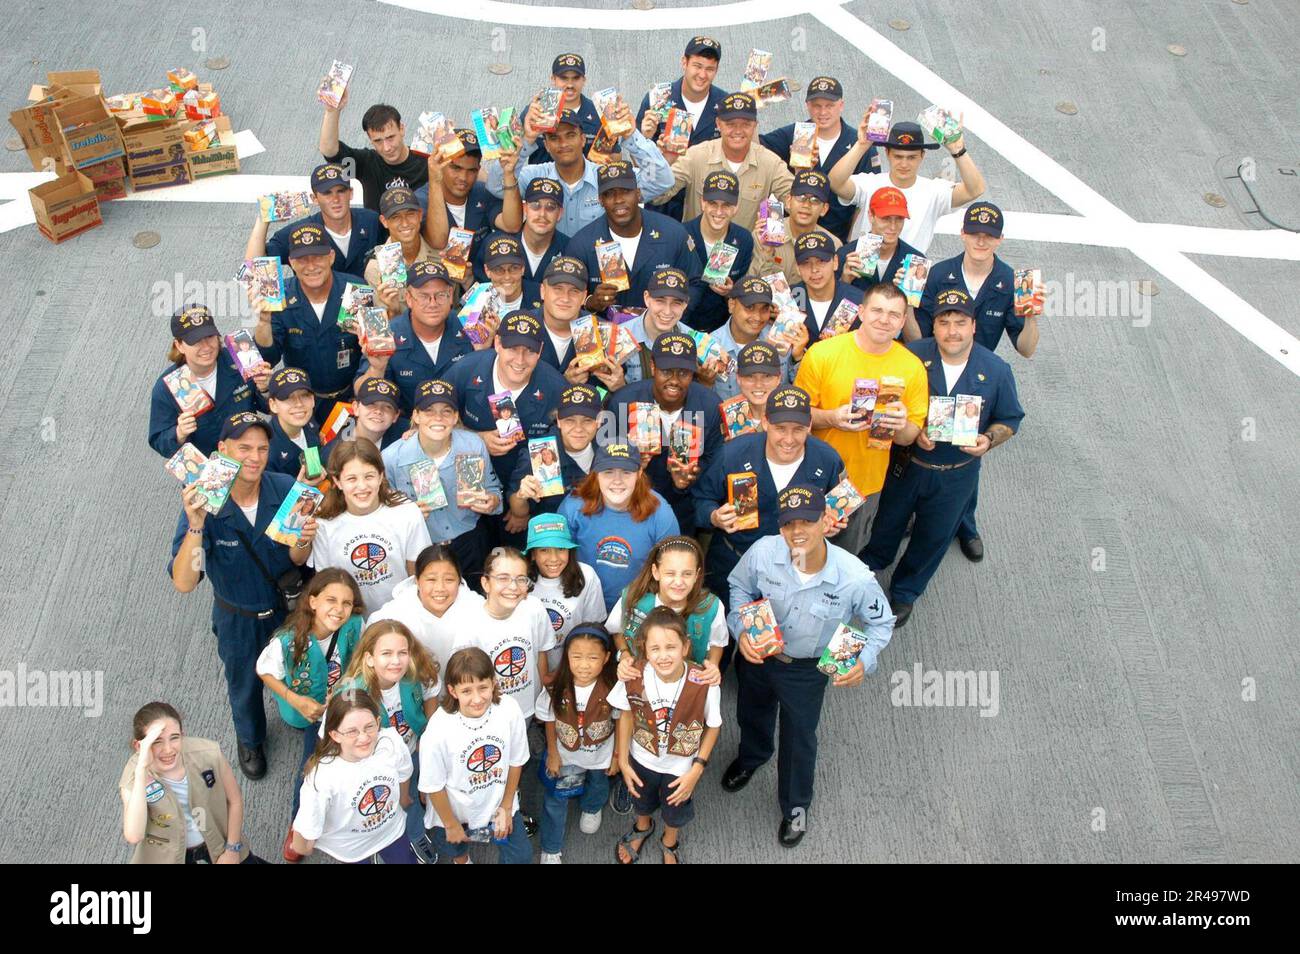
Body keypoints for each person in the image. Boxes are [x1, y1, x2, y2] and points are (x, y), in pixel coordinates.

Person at [723, 485, 895, 847]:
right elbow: (738, 587)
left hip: (808, 668)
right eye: (789, 524)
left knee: (800, 737)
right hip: (760, 655)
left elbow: (882, 623)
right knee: (751, 711)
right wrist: (741, 632)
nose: (797, 532)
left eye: (808, 521)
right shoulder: (762, 552)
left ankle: (795, 807)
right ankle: (752, 757)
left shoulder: (855, 577)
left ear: (826, 521)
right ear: (780, 527)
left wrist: (863, 660)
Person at [863, 289, 1024, 626]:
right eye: (944, 321)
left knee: (934, 536)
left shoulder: (996, 370)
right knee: (887, 522)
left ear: (974, 326)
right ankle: (874, 562)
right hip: (907, 465)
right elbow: (890, 401)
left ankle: (905, 591)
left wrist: (988, 439)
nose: (952, 330)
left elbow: (1009, 419)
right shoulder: (910, 356)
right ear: (932, 326)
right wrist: (912, 426)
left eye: (960, 322)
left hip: (956, 474)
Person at [170, 412, 313, 779]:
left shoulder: (283, 488)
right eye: (243, 447)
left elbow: (296, 560)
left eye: (262, 448)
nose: (254, 457)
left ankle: (298, 713)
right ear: (221, 450)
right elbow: (185, 582)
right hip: (238, 617)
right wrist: (197, 523)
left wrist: (303, 541)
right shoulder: (204, 504)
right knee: (244, 686)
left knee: (298, 669)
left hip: (285, 609)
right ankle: (250, 739)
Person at [913, 202, 1036, 560]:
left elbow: (1026, 349)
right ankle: (915, 513)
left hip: (978, 383)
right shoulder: (938, 275)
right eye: (975, 233)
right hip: (936, 374)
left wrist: (1032, 318)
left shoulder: (1011, 283)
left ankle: (965, 523)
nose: (981, 241)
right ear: (963, 233)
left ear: (999, 240)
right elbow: (919, 333)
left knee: (967, 461)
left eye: (990, 236)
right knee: (923, 448)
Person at [793, 282, 928, 557]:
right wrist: (831, 417)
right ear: (862, 312)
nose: (884, 319)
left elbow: (907, 438)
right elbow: (796, 417)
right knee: (797, 550)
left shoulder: (912, 367)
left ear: (903, 321)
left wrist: (901, 425)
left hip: (864, 483)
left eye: (893, 314)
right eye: (877, 310)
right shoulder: (823, 353)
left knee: (844, 556)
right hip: (813, 476)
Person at [693, 384, 843, 608]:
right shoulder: (733, 454)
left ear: (810, 426)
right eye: (780, 428)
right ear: (765, 422)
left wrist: (831, 523)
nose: (789, 439)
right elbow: (700, 500)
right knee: (725, 627)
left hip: (796, 568)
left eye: (798, 429)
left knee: (782, 633)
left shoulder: (827, 460)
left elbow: (841, 506)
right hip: (734, 561)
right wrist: (714, 516)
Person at [255, 568, 364, 860]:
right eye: (331, 600)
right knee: (311, 768)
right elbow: (264, 669)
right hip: (306, 715)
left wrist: (346, 684)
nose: (339, 610)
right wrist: (295, 699)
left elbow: (361, 657)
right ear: (312, 601)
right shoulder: (288, 640)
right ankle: (298, 827)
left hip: (342, 705)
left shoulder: (355, 625)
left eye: (346, 603)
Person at [609, 606, 722, 864]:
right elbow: (625, 713)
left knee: (675, 810)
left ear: (685, 647)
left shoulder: (703, 681)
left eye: (671, 647)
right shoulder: (634, 674)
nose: (663, 656)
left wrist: (697, 769)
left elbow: (713, 725)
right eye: (655, 649)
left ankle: (669, 841)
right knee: (641, 800)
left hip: (681, 766)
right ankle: (642, 826)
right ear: (644, 650)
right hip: (641, 757)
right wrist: (623, 760)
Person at [331, 619, 442, 862]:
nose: (396, 660)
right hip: (371, 763)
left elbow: (431, 693)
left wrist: (428, 734)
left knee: (409, 798)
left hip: (410, 750)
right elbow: (332, 737)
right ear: (369, 658)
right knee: (379, 807)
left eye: (403, 652)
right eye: (386, 653)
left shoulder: (413, 673)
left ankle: (415, 833)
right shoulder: (351, 695)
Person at [418, 647, 533, 864]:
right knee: (455, 849)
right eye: (467, 691)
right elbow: (434, 785)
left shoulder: (509, 709)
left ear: (493, 683)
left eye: (483, 687)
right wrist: (451, 824)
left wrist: (507, 806)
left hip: (499, 800)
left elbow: (516, 762)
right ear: (452, 691)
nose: (477, 698)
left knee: (521, 856)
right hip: (453, 809)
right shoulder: (438, 730)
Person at [382, 379, 502, 587]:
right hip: (421, 548)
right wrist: (407, 514)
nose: (438, 418)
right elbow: (383, 513)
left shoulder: (473, 445)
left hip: (469, 542)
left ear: (456, 417)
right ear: (416, 416)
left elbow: (494, 490)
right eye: (429, 410)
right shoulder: (391, 459)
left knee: (474, 601)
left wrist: (492, 502)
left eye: (447, 411)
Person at [487, 105, 673, 238]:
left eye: (570, 135)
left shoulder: (607, 177)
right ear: (546, 145)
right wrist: (526, 142)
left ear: (583, 140)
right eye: (554, 138)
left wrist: (631, 136)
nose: (563, 144)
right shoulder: (534, 176)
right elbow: (495, 187)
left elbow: (662, 180)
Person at [443, 311, 568, 505]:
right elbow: (431, 420)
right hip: (467, 495)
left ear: (541, 350)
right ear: (498, 343)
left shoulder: (557, 388)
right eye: (512, 348)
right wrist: (477, 438)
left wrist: (519, 505)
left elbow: (568, 442)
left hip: (528, 496)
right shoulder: (466, 370)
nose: (520, 360)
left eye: (530, 351)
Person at [605, 332, 724, 535]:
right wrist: (633, 466)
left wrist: (688, 479)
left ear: (694, 372)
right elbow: (605, 460)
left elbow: (715, 462)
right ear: (653, 367)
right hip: (631, 505)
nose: (674, 381)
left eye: (684, 373)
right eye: (666, 371)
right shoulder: (624, 401)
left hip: (684, 510)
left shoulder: (710, 405)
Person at [252, 223, 367, 424]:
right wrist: (264, 321)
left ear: (331, 257)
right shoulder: (281, 296)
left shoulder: (356, 289)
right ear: (291, 262)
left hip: (351, 400)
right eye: (302, 259)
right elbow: (267, 357)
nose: (311, 266)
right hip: (303, 406)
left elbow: (371, 352)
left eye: (318, 257)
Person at [120, 701, 258, 864]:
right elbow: (134, 835)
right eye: (156, 741)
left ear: (182, 735)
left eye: (174, 738)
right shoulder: (133, 776)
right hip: (172, 857)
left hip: (219, 846)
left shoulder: (208, 754)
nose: (168, 749)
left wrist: (232, 850)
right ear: (139, 746)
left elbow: (234, 800)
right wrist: (142, 768)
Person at [291, 689, 419, 863]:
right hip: (353, 848)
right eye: (352, 731)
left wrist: (403, 798)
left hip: (388, 831)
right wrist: (403, 800)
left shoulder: (391, 742)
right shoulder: (321, 778)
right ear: (334, 734)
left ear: (378, 722)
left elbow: (404, 772)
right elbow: (303, 834)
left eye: (369, 727)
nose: (364, 737)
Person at [304, 438, 432, 610]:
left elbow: (418, 575)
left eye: (369, 476)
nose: (362, 486)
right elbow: (328, 587)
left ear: (381, 476)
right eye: (351, 479)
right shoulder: (324, 524)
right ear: (337, 481)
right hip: (351, 622)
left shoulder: (407, 512)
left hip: (401, 617)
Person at [829, 118, 986, 252]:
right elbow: (835, 183)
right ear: (887, 153)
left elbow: (975, 189)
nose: (904, 164)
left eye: (911, 157)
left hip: (907, 276)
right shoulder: (870, 183)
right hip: (863, 271)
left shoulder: (934, 191)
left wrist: (958, 150)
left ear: (922, 156)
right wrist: (861, 145)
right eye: (898, 156)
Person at [567, 160, 702, 314]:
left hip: (659, 333)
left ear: (638, 194)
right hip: (605, 334)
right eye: (609, 194)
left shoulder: (673, 234)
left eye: (625, 191)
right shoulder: (582, 243)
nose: (618, 200)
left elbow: (694, 284)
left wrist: (670, 313)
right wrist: (591, 303)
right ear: (601, 200)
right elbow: (567, 299)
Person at [558, 442, 680, 612]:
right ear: (596, 475)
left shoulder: (660, 512)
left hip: (637, 607)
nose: (617, 481)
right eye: (608, 472)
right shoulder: (573, 506)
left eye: (626, 472)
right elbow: (555, 560)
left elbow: (673, 568)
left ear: (639, 474)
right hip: (581, 603)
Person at [536, 623, 619, 863]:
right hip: (565, 754)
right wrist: (552, 752)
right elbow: (549, 719)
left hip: (600, 753)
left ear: (606, 658)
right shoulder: (556, 686)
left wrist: (616, 757)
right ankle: (551, 848)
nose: (584, 665)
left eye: (593, 657)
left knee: (598, 781)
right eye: (577, 657)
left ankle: (592, 807)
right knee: (556, 798)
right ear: (567, 657)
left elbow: (621, 720)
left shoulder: (613, 686)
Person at [760, 76, 880, 241]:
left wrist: (851, 242)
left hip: (836, 240)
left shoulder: (860, 143)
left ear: (841, 105)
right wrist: (756, 101)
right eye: (817, 106)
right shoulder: (794, 133)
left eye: (829, 105)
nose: (823, 112)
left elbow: (867, 200)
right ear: (807, 105)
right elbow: (754, 150)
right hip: (791, 237)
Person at [651, 91, 793, 232]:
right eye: (730, 124)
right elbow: (656, 197)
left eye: (746, 124)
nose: (738, 131)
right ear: (718, 124)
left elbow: (797, 205)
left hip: (744, 252)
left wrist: (801, 171)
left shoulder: (770, 163)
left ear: (755, 125)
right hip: (695, 250)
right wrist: (663, 163)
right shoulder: (696, 155)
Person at [355, 260, 475, 422]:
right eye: (424, 296)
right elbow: (360, 391)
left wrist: (481, 353)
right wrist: (377, 368)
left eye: (440, 295)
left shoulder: (470, 326)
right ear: (409, 298)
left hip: (460, 425)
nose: (433, 304)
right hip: (407, 430)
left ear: (451, 295)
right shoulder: (387, 332)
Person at [149, 305, 267, 458]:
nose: (206, 347)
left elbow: (270, 407)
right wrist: (179, 433)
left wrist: (266, 389)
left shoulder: (241, 357)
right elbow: (159, 441)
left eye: (210, 337)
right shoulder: (167, 386)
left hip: (252, 461)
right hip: (208, 473)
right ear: (179, 346)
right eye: (195, 340)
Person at [453, 546, 556, 721]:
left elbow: (541, 653)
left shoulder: (534, 608)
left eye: (521, 579)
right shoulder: (468, 626)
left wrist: (542, 699)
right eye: (503, 578)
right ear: (485, 583)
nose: (513, 587)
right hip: (490, 714)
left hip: (529, 709)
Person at [606, 534, 726, 681]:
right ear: (656, 572)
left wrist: (713, 664)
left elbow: (717, 642)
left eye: (687, 574)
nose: (678, 582)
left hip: (688, 682)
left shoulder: (711, 607)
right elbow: (616, 630)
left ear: (697, 575)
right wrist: (624, 654)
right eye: (670, 573)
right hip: (640, 678)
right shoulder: (633, 598)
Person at [635, 35, 729, 221]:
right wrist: (644, 138)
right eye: (697, 65)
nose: (702, 75)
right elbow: (640, 165)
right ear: (684, 62)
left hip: (706, 204)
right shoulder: (658, 99)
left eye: (710, 69)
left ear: (717, 71)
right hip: (662, 203)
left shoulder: (725, 104)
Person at [366, 543, 486, 673]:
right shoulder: (393, 615)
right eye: (431, 580)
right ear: (417, 580)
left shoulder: (477, 608)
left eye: (449, 580)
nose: (440, 588)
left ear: (459, 580)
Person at [251, 162, 381, 275]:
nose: (335, 199)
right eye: (327, 193)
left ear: (351, 193)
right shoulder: (297, 233)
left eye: (341, 191)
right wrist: (263, 219)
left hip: (370, 301)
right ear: (315, 199)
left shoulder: (371, 220)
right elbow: (255, 270)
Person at [416, 128, 520, 263]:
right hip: (438, 280)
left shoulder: (481, 191)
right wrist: (435, 180)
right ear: (441, 164)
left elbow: (512, 226)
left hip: (479, 277)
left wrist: (509, 174)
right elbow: (438, 242)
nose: (463, 178)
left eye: (471, 171)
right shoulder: (421, 198)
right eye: (456, 168)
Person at [506, 383, 602, 527]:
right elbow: (517, 509)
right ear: (558, 420)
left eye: (587, 420)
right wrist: (521, 496)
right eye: (570, 420)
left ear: (599, 421)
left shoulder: (609, 448)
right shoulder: (538, 452)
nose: (578, 429)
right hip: (554, 534)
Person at [835, 186, 924, 335]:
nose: (893, 226)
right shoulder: (847, 254)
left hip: (894, 345)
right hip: (851, 341)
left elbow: (916, 340)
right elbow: (833, 327)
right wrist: (845, 282)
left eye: (899, 219)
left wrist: (906, 298)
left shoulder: (916, 262)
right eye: (886, 218)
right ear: (871, 216)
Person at [522, 515, 605, 671]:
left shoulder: (586, 576)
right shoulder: (520, 580)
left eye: (561, 549)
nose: (553, 558)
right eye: (544, 550)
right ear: (533, 554)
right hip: (533, 670)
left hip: (575, 669)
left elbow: (593, 628)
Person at [319, 94, 427, 212]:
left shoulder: (426, 161)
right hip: (375, 230)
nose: (386, 148)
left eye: (390, 137)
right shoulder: (366, 163)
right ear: (370, 139)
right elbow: (330, 152)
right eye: (378, 141)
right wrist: (332, 111)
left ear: (402, 129)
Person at [683, 170, 753, 333]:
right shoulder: (681, 234)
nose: (719, 212)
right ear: (702, 202)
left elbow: (742, 291)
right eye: (713, 203)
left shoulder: (743, 239)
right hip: (682, 325)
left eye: (726, 205)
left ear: (736, 207)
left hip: (722, 331)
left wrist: (730, 292)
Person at [749, 169, 841, 288]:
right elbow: (752, 287)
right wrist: (767, 252)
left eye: (815, 200)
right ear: (788, 201)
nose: (806, 205)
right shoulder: (764, 233)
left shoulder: (833, 244)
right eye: (801, 197)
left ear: (824, 209)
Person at [706, 277, 790, 402]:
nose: (757, 317)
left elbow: (794, 387)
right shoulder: (710, 345)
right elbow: (702, 404)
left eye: (764, 309)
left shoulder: (780, 338)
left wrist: (798, 357)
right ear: (731, 305)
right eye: (749, 307)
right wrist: (704, 382)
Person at [617, 266, 699, 385]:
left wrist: (706, 381)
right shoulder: (619, 337)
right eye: (660, 301)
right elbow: (600, 391)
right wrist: (618, 390)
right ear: (646, 298)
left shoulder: (695, 342)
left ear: (685, 304)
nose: (667, 311)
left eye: (676, 303)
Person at [365, 188, 438, 315]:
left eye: (410, 214)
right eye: (395, 217)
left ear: (420, 215)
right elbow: (384, 330)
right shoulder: (376, 268)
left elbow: (453, 308)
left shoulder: (439, 255)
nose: (405, 223)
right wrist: (393, 310)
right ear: (384, 221)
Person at [524, 53, 601, 165]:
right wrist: (528, 137)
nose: (570, 84)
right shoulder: (535, 112)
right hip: (541, 180)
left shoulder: (598, 113)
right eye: (563, 78)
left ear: (584, 80)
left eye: (576, 78)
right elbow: (512, 154)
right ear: (553, 79)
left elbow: (614, 156)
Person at [791, 230, 865, 345]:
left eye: (821, 261)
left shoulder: (859, 301)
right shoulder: (788, 299)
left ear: (835, 262)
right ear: (797, 268)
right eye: (805, 263)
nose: (814, 269)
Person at [264, 367, 330, 479]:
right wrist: (302, 489)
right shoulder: (266, 451)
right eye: (288, 397)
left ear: (313, 400)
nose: (299, 404)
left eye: (304, 395)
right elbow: (269, 495)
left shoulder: (309, 423)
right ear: (273, 405)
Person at [480, 234, 541, 317]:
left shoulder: (542, 296)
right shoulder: (476, 302)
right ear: (487, 271)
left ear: (523, 268)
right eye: (498, 270)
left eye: (514, 268)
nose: (507, 277)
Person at [349, 377, 407, 451]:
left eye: (387, 407)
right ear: (356, 408)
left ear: (395, 416)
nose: (378, 411)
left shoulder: (407, 434)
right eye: (371, 404)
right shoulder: (336, 451)